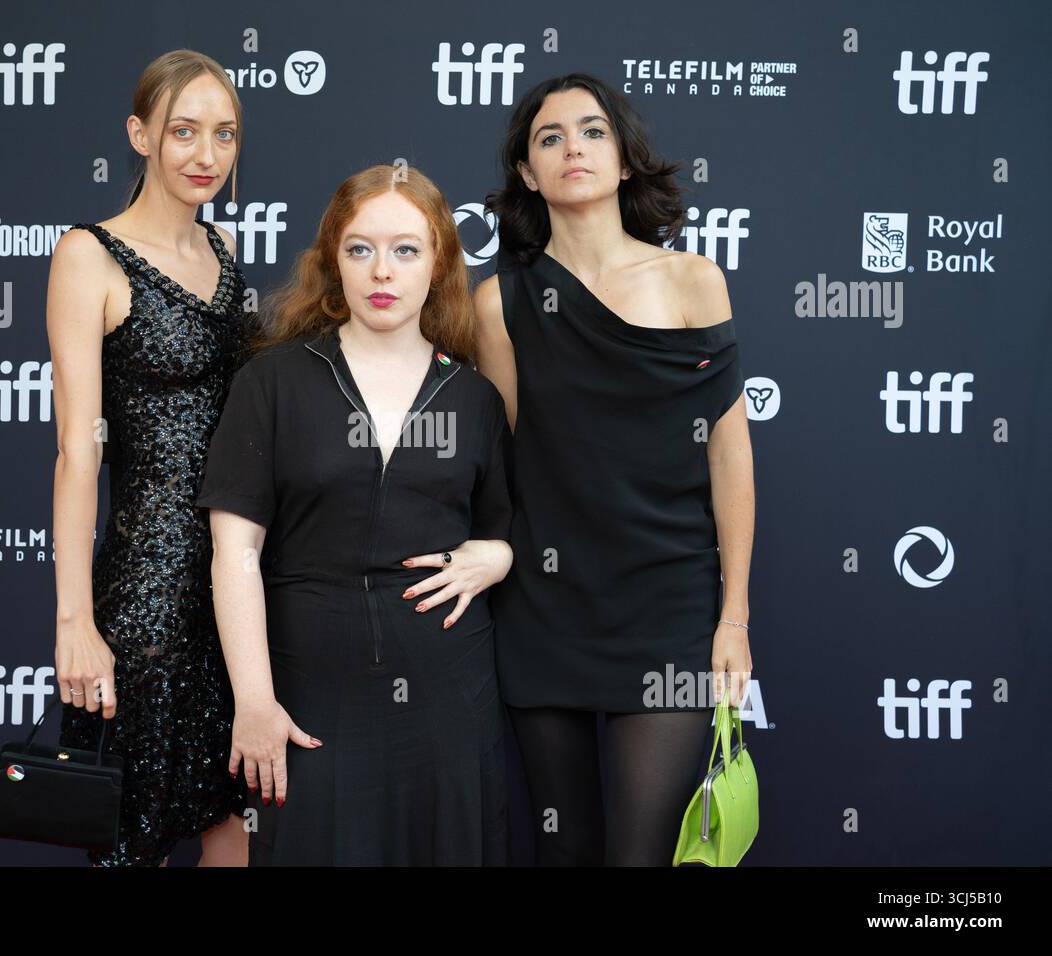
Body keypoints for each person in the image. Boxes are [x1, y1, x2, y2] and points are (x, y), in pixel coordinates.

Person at [475, 73, 757, 866]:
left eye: (593, 131)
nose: (574, 149)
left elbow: (729, 455)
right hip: (545, 607)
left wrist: (733, 616)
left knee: (643, 855)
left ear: (625, 159)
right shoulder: (499, 304)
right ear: (527, 172)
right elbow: (502, 458)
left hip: (667, 602)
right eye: (550, 137)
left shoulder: (694, 281)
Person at [196, 164, 514, 865]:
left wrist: (499, 555)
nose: (382, 270)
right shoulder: (272, 382)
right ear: (332, 260)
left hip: (448, 692)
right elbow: (235, 553)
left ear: (438, 264)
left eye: (406, 249)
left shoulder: (473, 398)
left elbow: (503, 529)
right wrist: (254, 701)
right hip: (308, 693)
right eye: (360, 248)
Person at [46, 50, 252, 867]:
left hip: (232, 587)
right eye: (184, 133)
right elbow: (75, 450)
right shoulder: (86, 255)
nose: (207, 155)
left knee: (233, 826)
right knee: (127, 839)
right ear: (140, 135)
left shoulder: (227, 251)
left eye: (225, 134)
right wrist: (76, 624)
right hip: (144, 597)